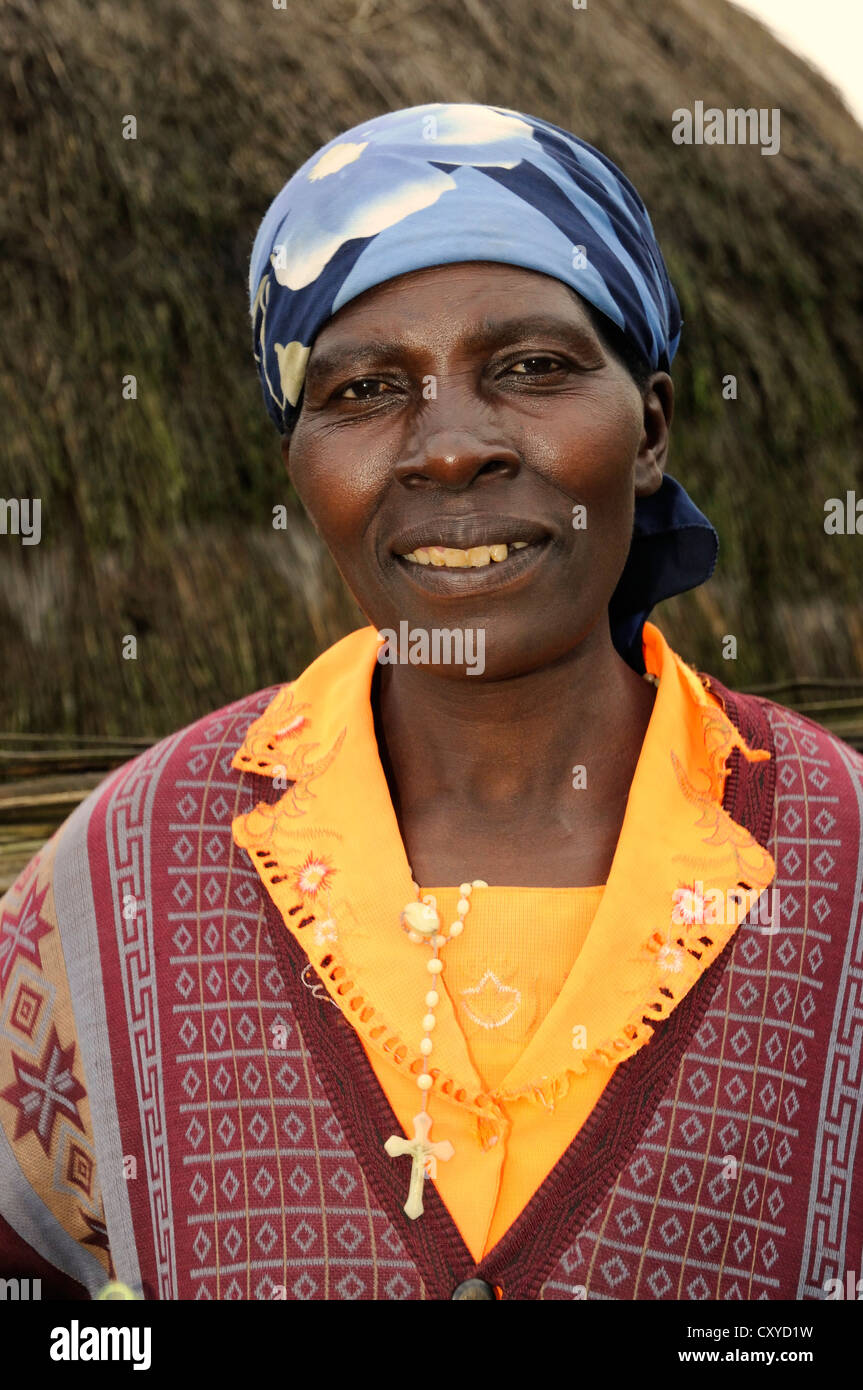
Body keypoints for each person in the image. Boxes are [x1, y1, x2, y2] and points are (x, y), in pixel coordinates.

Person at [1, 102, 860, 1302]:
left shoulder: (847, 857)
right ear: (299, 463)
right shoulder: (117, 881)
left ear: (651, 427)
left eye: (529, 368)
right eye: (360, 390)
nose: (449, 448)